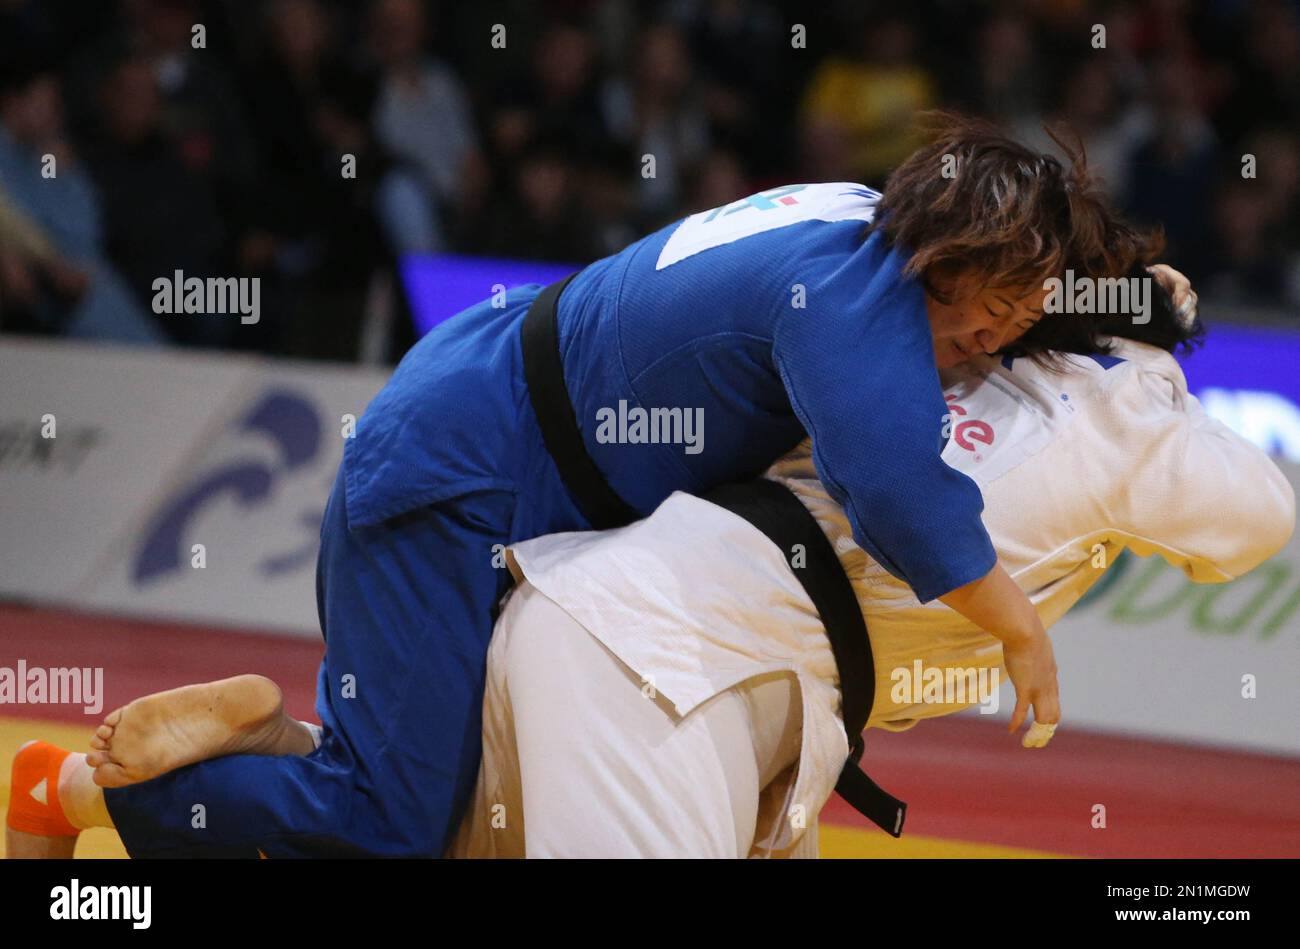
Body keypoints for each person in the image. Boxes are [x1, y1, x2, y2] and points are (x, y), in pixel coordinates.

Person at [12, 113, 1170, 858]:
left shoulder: (855, 224)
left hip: (489, 418)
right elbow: (900, 495)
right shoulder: (856, 312)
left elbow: (976, 319)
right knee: (393, 827)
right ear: (954, 261)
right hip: (461, 472)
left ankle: (276, 738)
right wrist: (1018, 629)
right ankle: (75, 794)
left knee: (466, 799)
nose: (995, 341)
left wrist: (1133, 300)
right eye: (1003, 311)